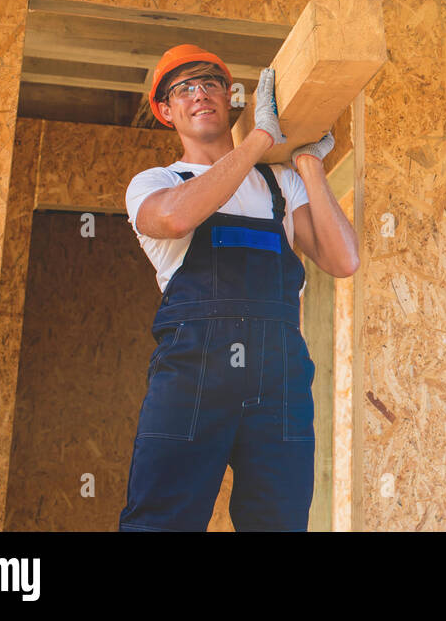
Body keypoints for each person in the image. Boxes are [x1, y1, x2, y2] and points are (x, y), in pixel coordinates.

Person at [117, 43, 359, 531]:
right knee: (161, 521)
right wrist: (259, 140)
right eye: (183, 88)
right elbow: (177, 216)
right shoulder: (158, 182)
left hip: (279, 377)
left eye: (210, 83)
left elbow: (343, 259)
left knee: (278, 521)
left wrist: (307, 164)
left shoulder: (279, 185)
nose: (200, 94)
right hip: (193, 375)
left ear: (230, 97)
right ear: (166, 111)